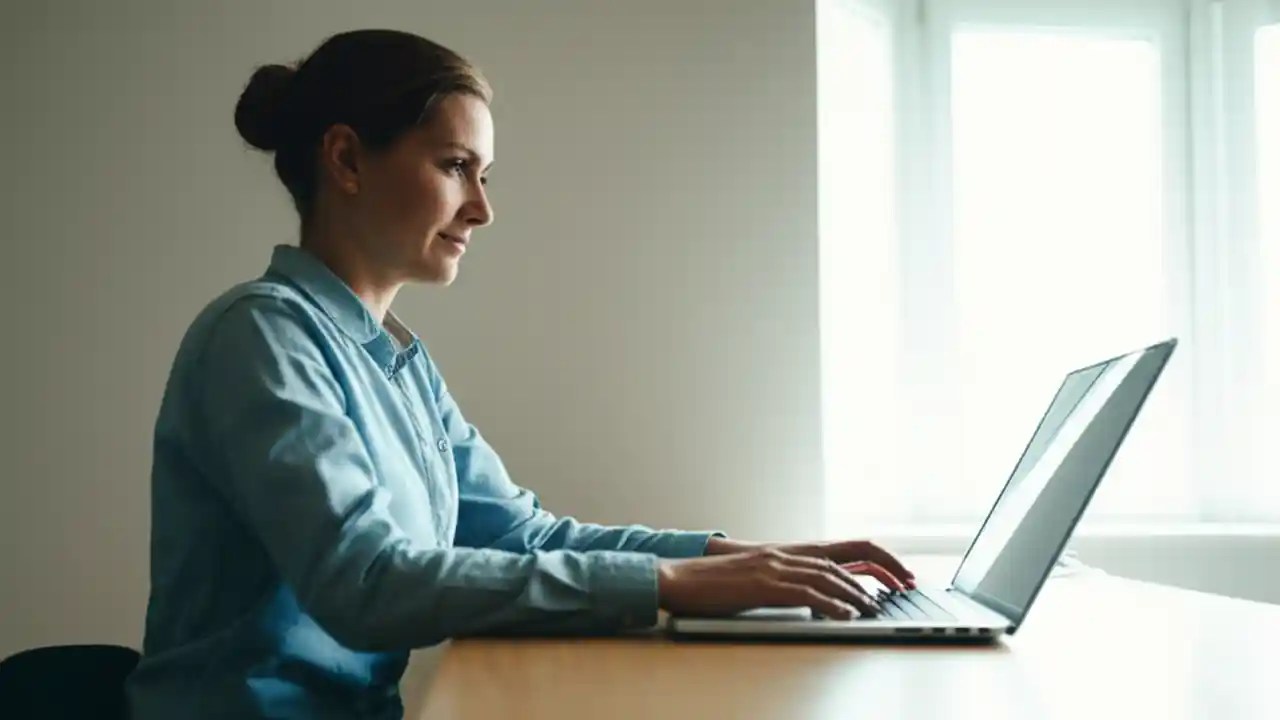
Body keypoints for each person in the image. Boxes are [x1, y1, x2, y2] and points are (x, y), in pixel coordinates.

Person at [124, 29, 917, 719]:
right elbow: (365, 583)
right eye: (456, 165)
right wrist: (668, 584)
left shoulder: (395, 362)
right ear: (345, 159)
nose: (481, 208)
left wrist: (740, 560)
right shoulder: (260, 338)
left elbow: (524, 535)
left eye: (484, 174)